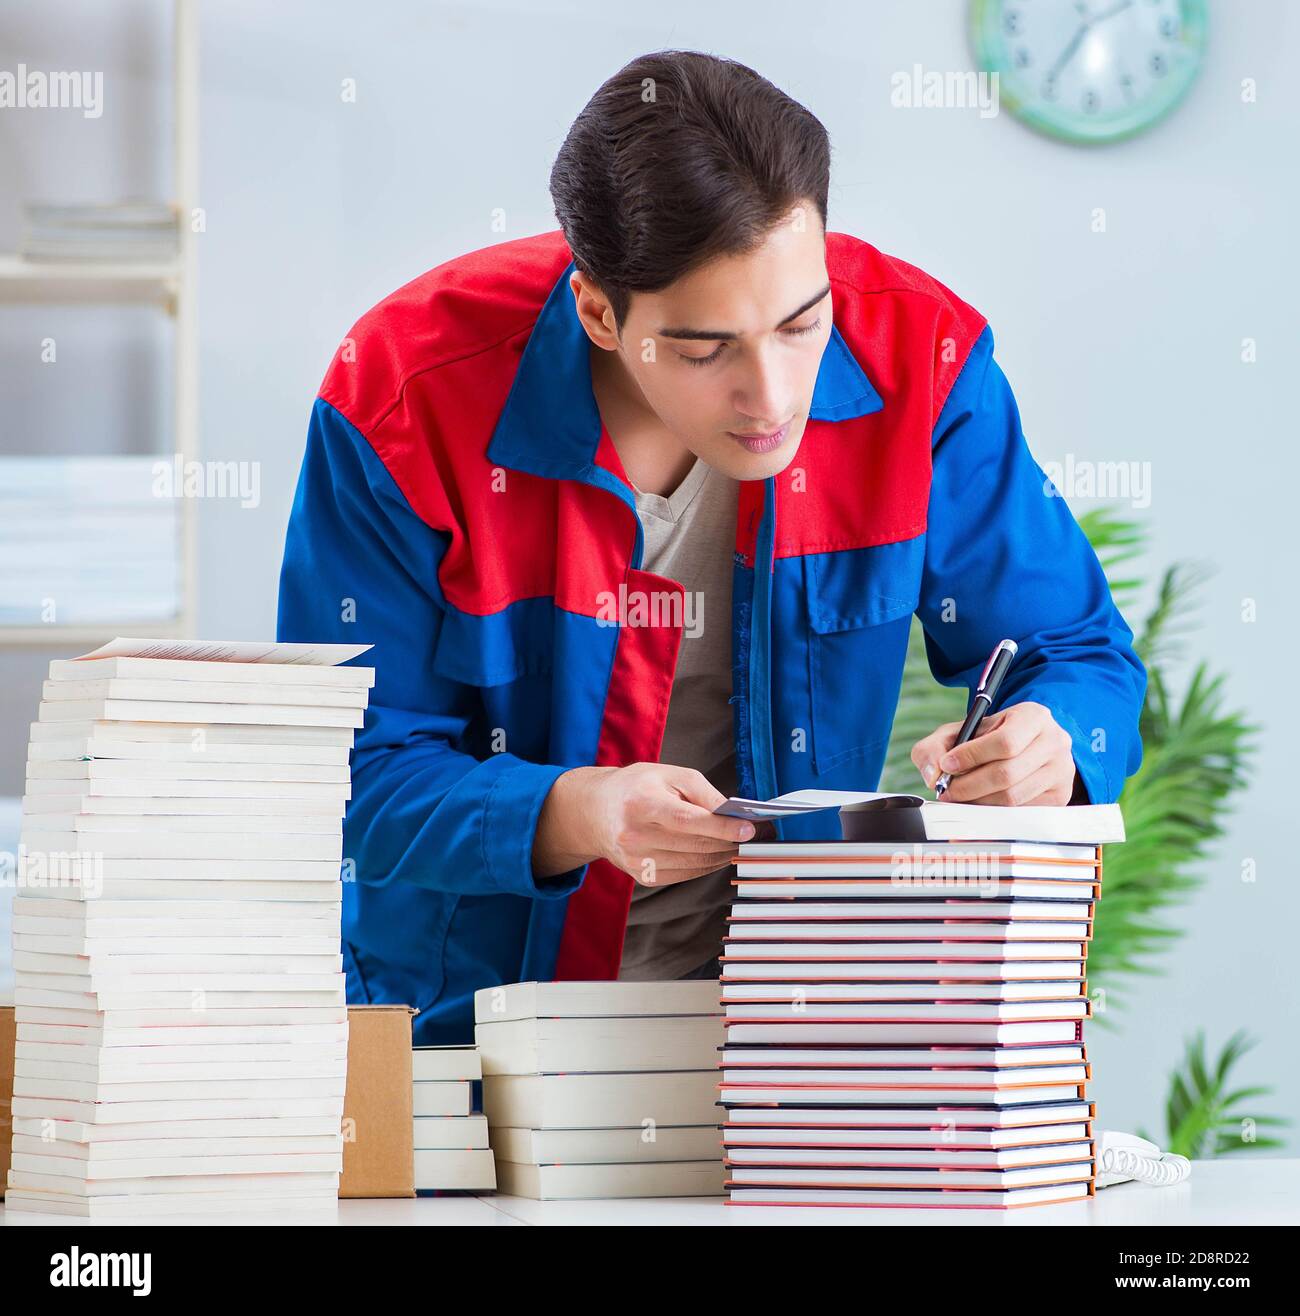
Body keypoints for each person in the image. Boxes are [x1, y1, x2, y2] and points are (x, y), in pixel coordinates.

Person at [278, 50, 1145, 1044]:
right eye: (704, 349)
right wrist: (578, 809)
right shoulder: (401, 397)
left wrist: (1052, 746)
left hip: (796, 1039)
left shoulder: (926, 363)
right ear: (599, 310)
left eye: (801, 322)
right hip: (466, 1042)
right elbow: (351, 774)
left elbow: (1076, 649)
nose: (772, 396)